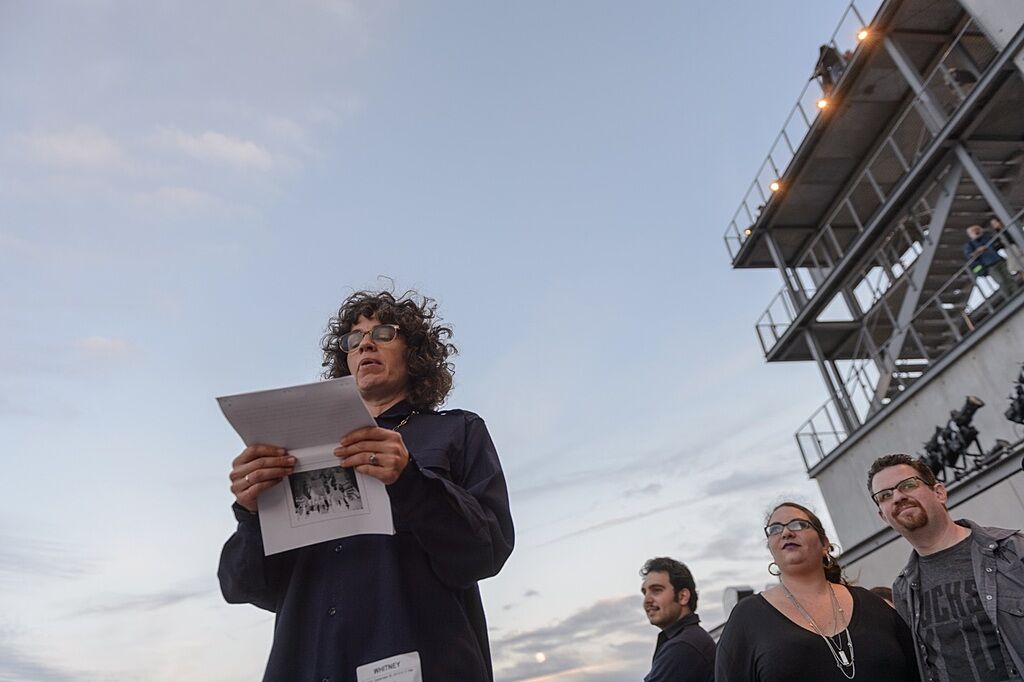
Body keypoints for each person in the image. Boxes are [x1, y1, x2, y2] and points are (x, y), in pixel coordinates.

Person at [218, 289, 515, 682]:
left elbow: (486, 551)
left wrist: (411, 482)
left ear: (415, 353)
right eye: (353, 339)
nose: (365, 344)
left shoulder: (458, 430)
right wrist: (251, 512)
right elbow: (242, 587)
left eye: (383, 333)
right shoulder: (298, 451)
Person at [716, 502, 918, 681]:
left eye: (798, 524)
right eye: (775, 529)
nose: (786, 533)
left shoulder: (874, 605)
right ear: (771, 550)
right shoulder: (748, 618)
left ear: (825, 544)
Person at [868, 453, 1024, 681]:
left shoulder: (1013, 550)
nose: (898, 497)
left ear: (939, 492)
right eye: (885, 495)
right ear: (883, 516)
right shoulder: (903, 590)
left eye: (908, 485)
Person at [639, 557, 715, 682]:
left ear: (683, 596)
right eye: (645, 593)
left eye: (656, 590)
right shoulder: (687, 640)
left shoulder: (685, 646)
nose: (647, 600)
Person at [964, 221, 1019, 295]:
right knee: (1001, 281)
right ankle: (1009, 296)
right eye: (974, 230)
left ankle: (1016, 292)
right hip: (989, 266)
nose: (976, 231)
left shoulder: (986, 237)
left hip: (998, 260)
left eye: (977, 229)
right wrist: (978, 250)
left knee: (1009, 278)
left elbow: (998, 240)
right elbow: (969, 256)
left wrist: (985, 230)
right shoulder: (969, 245)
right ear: (970, 234)